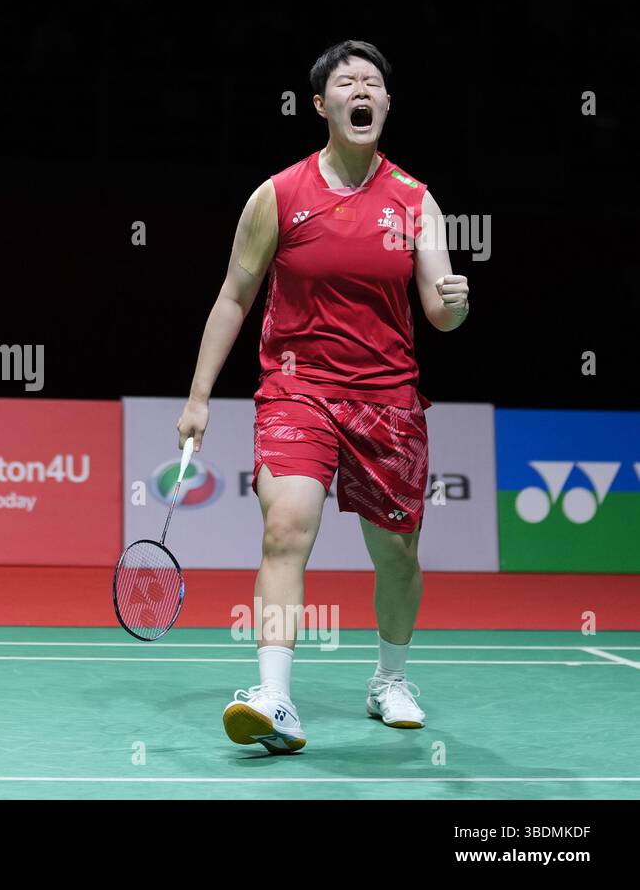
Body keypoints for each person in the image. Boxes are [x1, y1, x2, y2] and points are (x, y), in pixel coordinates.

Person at [176, 40, 469, 753]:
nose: (362, 90)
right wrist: (198, 396)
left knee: (397, 553)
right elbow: (234, 296)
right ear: (322, 105)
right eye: (347, 83)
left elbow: (439, 310)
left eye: (374, 83)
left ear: (386, 104)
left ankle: (390, 679)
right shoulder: (278, 195)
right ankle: (274, 698)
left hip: (388, 399)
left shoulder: (415, 201)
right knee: (285, 528)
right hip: (296, 389)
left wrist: (456, 305)